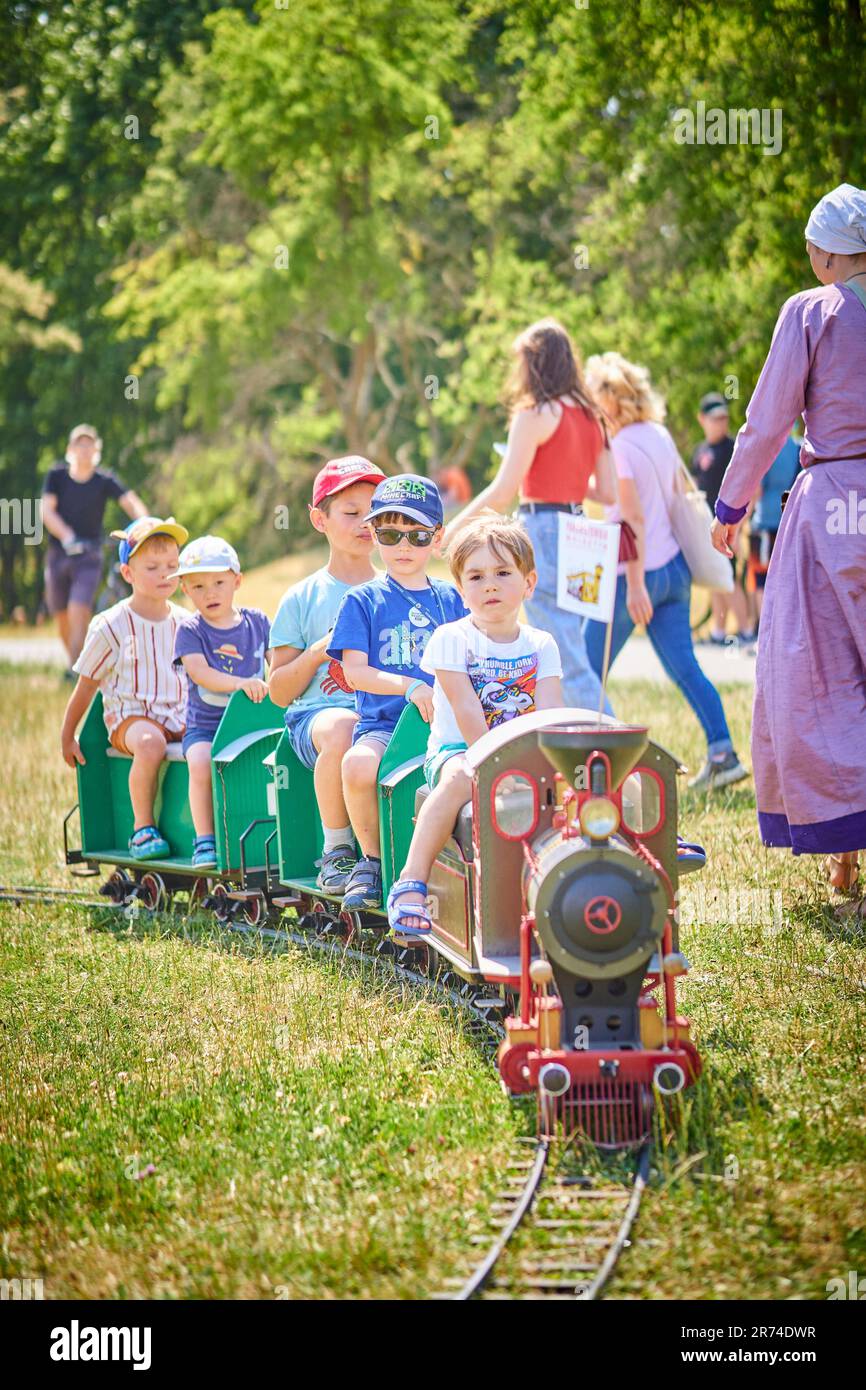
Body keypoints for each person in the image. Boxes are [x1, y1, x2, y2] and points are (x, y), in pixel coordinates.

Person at [711, 182, 866, 908]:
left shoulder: (811, 312)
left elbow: (769, 418)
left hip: (834, 506)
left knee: (823, 677)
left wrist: (731, 503)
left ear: (826, 252)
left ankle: (845, 855)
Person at [387, 513, 563, 936]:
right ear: (461, 589)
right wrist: (496, 766)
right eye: (476, 576)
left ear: (529, 582)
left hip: (524, 753)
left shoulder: (541, 644)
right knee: (459, 781)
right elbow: (467, 711)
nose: (490, 585)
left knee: (579, 779)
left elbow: (550, 714)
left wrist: (546, 767)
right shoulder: (453, 639)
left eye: (503, 573)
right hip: (460, 750)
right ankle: (411, 880)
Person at [582, 352, 748, 792]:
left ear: (614, 399)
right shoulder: (656, 433)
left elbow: (632, 518)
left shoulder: (618, 447)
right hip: (675, 569)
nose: (589, 404)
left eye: (595, 394)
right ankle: (722, 753)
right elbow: (677, 495)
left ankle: (602, 774)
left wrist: (635, 584)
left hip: (636, 576)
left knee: (584, 671)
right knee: (686, 670)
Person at [442, 318, 617, 708]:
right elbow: (607, 491)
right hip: (581, 531)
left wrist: (453, 528)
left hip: (543, 528)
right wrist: (566, 477)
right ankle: (581, 743)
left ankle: (609, 746)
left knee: (566, 659)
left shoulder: (536, 413)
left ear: (535, 363)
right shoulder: (593, 416)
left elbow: (504, 490)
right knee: (571, 647)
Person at [327, 474, 466, 911]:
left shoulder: (454, 599)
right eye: (389, 534)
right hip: (385, 728)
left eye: (417, 535)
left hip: (444, 729)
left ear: (437, 538)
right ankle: (370, 859)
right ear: (374, 535)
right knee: (356, 765)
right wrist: (410, 686)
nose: (403, 546)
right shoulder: (363, 600)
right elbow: (355, 673)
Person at [267, 456, 386, 893]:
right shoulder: (303, 597)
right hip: (318, 718)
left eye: (373, 512)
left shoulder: (393, 589)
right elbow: (279, 691)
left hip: (384, 712)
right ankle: (337, 851)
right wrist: (318, 652)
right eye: (351, 513)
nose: (365, 523)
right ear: (320, 520)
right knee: (344, 727)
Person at [60, 516, 189, 861]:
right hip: (131, 718)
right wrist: (68, 734)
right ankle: (142, 828)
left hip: (178, 715)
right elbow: (87, 685)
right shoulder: (111, 625)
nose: (165, 574)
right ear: (128, 573)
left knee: (207, 742)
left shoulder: (183, 620)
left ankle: (199, 832)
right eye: (152, 567)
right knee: (150, 743)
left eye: (172, 566)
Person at [172, 537, 272, 868]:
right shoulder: (190, 630)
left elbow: (279, 664)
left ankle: (272, 832)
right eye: (198, 586)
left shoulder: (257, 622)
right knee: (200, 761)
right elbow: (200, 674)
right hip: (206, 727)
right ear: (185, 588)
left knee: (276, 765)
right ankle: (205, 839)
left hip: (252, 724)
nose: (210, 593)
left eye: (218, 582)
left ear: (237, 581)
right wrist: (242, 683)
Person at [41, 424, 148, 673]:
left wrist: (145, 525)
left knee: (79, 606)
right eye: (80, 443)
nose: (85, 449)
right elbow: (46, 510)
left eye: (90, 444)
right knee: (60, 611)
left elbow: (131, 502)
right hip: (59, 553)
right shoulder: (57, 476)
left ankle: (76, 670)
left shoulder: (104, 480)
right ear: (71, 449)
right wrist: (67, 535)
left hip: (88, 556)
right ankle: (75, 662)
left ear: (96, 450)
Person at [690, 393, 754, 645]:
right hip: (705, 523)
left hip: (728, 524)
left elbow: (748, 485)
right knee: (715, 578)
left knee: (730, 579)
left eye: (724, 418)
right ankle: (718, 630)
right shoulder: (700, 451)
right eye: (715, 418)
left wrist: (742, 524)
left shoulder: (732, 448)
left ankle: (746, 629)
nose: (721, 423)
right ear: (702, 419)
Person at [744, 432, 802, 625]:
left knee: (761, 580)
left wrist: (741, 521)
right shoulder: (798, 449)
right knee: (785, 580)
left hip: (764, 522)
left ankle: (765, 631)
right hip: (789, 520)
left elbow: (757, 490)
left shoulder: (768, 448)